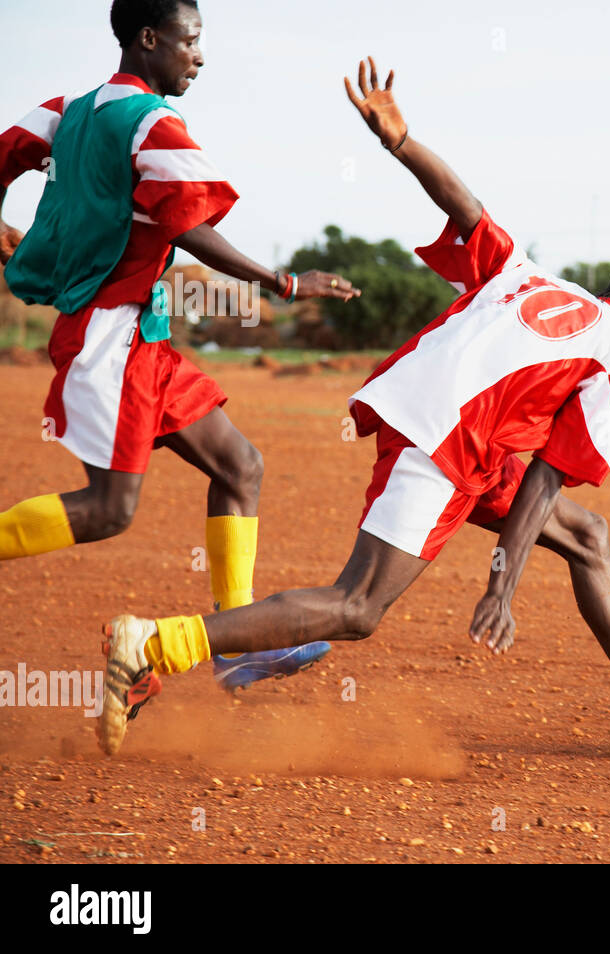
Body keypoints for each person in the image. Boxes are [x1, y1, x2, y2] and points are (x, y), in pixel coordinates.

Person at [96, 57, 610, 760]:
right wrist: (503, 583)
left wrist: (402, 143)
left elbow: (464, 206)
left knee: (587, 538)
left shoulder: (531, 275)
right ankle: (155, 645)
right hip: (447, 445)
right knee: (357, 607)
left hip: (442, 425)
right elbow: (547, 478)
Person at [0, 0, 360, 690]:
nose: (199, 55)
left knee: (240, 467)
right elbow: (190, 225)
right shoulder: (150, 121)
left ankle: (236, 642)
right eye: (190, 41)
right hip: (111, 338)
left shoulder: (65, 110)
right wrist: (284, 281)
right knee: (109, 510)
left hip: (145, 338)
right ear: (148, 38)